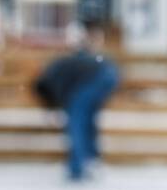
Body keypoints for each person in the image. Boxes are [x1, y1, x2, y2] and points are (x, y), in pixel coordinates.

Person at [34, 24, 119, 181]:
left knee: (76, 123)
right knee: (86, 121)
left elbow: (63, 100)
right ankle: (91, 159)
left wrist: (53, 111)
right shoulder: (56, 69)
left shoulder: (52, 78)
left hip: (95, 76)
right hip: (108, 72)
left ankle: (77, 167)